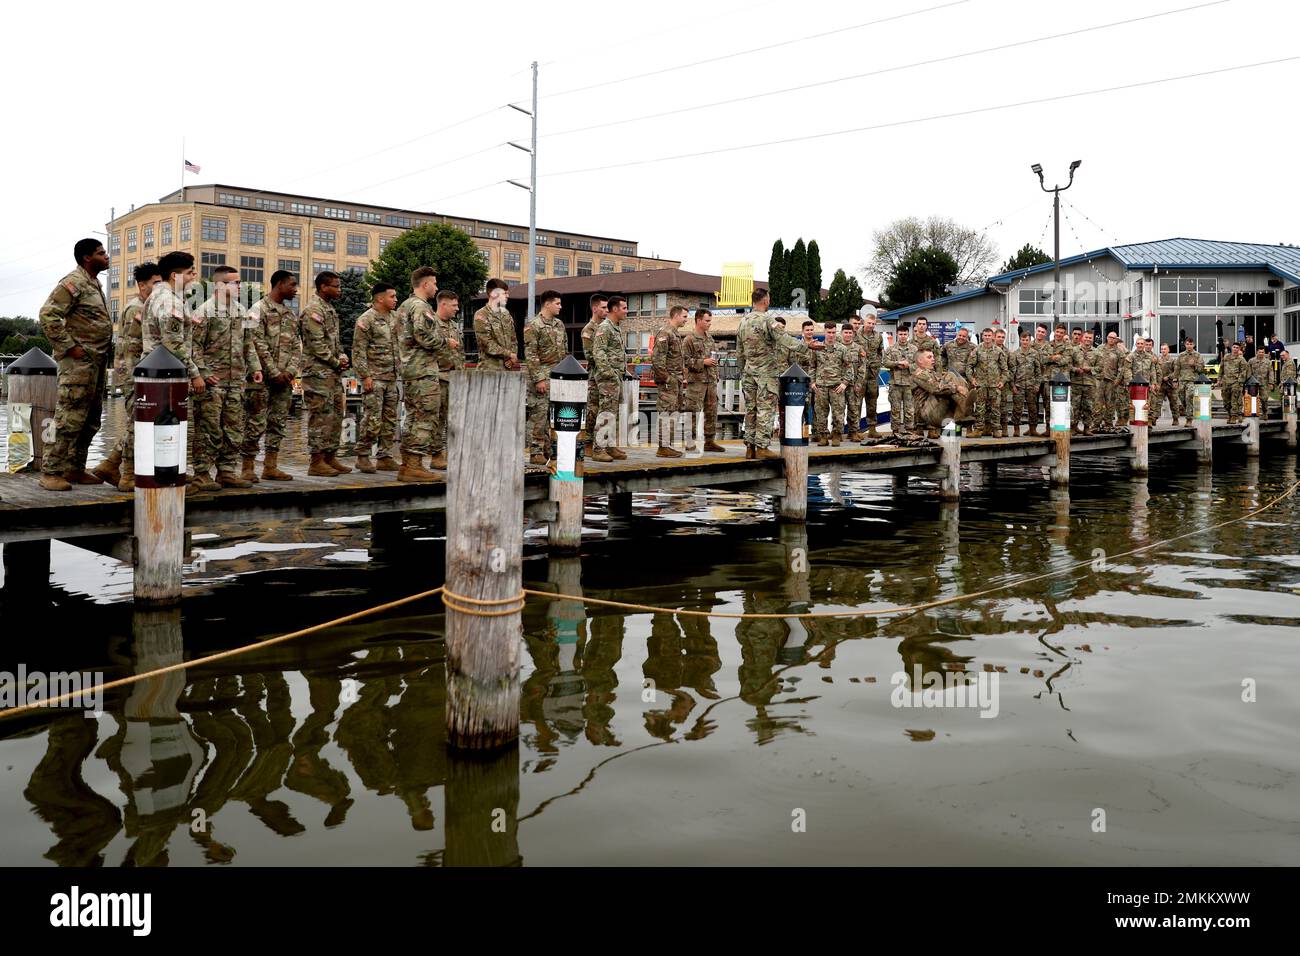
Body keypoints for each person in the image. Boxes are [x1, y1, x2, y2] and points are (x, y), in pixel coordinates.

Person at [37, 238, 115, 491]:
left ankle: (75, 468)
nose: (107, 256)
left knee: (91, 419)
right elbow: (48, 314)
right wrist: (68, 346)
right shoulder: (74, 282)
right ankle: (50, 472)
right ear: (86, 258)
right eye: (101, 253)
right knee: (68, 418)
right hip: (77, 364)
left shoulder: (94, 283)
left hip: (96, 361)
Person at [143, 251, 208, 489]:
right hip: (164, 374)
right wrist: (195, 373)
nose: (194, 276)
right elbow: (173, 343)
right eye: (190, 272)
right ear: (174, 275)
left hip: (162, 371)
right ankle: (148, 472)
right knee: (161, 424)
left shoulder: (165, 296)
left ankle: (164, 469)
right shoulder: (169, 300)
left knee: (158, 425)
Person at [193, 265, 261, 487]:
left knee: (234, 429)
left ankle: (226, 471)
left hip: (236, 381)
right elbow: (194, 346)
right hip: (214, 383)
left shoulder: (241, 310)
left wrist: (256, 368)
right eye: (235, 282)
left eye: (240, 282)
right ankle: (202, 473)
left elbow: (248, 343)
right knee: (208, 429)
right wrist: (203, 373)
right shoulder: (204, 311)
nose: (240, 286)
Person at [95, 261, 161, 492]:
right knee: (137, 425)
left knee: (137, 424)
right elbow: (139, 347)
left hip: (138, 372)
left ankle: (111, 464)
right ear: (142, 285)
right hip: (136, 374)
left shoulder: (148, 305)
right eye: (156, 283)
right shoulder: (138, 309)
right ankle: (127, 475)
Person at [243, 270, 301, 481]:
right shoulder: (257, 310)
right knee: (255, 422)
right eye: (292, 285)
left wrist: (290, 371)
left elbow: (296, 345)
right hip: (260, 379)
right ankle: (247, 467)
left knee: (278, 422)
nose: (295, 289)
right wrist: (273, 372)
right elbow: (255, 343)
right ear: (279, 284)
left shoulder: (290, 314)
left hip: (284, 379)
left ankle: (270, 466)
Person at [395, 266, 446, 481]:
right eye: (434, 283)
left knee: (413, 418)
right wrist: (445, 341)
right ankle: (414, 465)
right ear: (425, 284)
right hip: (423, 371)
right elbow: (423, 336)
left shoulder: (405, 305)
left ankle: (408, 463)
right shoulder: (420, 307)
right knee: (426, 416)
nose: (436, 288)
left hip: (411, 371)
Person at [300, 271, 350, 476]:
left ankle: (330, 457)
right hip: (318, 372)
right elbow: (317, 345)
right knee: (320, 415)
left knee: (336, 414)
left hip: (332, 373)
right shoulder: (313, 309)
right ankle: (316, 461)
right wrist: (336, 361)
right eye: (335, 286)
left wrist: (342, 356)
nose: (339, 290)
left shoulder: (329, 309)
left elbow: (333, 341)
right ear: (323, 287)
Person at [350, 282, 402, 473]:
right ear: (380, 298)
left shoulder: (395, 318)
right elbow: (358, 350)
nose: (396, 300)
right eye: (392, 296)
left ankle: (385, 456)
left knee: (390, 419)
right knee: (372, 419)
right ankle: (362, 456)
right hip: (375, 377)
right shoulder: (366, 320)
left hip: (392, 377)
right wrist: (365, 376)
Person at [734, 288, 783, 459]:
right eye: (768, 299)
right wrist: (806, 346)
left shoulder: (743, 321)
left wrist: (743, 372)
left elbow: (739, 351)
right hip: (765, 374)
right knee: (765, 409)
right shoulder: (768, 320)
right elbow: (783, 339)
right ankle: (762, 447)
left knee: (751, 409)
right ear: (765, 300)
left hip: (748, 373)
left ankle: (750, 447)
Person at [524, 289, 567, 464]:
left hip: (557, 376)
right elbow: (531, 354)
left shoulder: (559, 325)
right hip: (541, 376)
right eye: (557, 303)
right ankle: (535, 451)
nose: (560, 307)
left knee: (553, 415)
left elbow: (564, 351)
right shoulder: (533, 325)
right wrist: (539, 379)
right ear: (547, 304)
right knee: (539, 415)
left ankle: (550, 450)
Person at [589, 294, 630, 462]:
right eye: (624, 308)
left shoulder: (616, 327)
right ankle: (598, 449)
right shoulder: (605, 327)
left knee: (614, 414)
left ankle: (610, 446)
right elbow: (598, 354)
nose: (627, 311)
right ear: (615, 309)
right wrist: (610, 375)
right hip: (608, 379)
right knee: (606, 413)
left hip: (616, 377)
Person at [430, 289, 465, 460]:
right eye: (454, 305)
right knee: (438, 418)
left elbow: (460, 352)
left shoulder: (453, 325)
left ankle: (452, 453)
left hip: (455, 378)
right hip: (438, 377)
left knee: (455, 419)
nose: (456, 309)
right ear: (443, 304)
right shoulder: (431, 324)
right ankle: (437, 454)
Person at [683, 308, 723, 453]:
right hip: (697, 382)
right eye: (707, 321)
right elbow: (685, 361)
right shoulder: (689, 339)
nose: (709, 324)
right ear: (698, 320)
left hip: (710, 381)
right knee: (693, 411)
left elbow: (712, 359)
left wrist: (715, 371)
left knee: (712, 411)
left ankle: (710, 441)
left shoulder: (710, 338)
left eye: (710, 321)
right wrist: (702, 362)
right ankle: (689, 441)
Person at [651, 305, 689, 457]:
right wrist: (667, 378)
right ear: (676, 316)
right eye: (685, 316)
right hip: (669, 381)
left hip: (676, 381)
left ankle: (667, 446)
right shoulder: (666, 333)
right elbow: (656, 359)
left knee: (674, 411)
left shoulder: (675, 334)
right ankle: (663, 446)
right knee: (666, 411)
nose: (687, 320)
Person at [912, 347, 973, 430]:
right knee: (950, 377)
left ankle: (961, 412)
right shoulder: (918, 374)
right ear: (920, 360)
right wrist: (957, 388)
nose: (933, 359)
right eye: (929, 357)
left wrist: (960, 385)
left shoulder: (933, 373)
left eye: (933, 357)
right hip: (926, 415)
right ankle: (964, 409)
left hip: (938, 412)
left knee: (957, 379)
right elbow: (936, 389)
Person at [580, 293, 608, 450]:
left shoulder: (608, 327)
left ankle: (603, 442)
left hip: (606, 376)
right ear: (595, 308)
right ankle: (588, 442)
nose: (606, 310)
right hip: (595, 376)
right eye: (603, 307)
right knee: (593, 409)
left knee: (605, 410)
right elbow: (589, 355)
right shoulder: (588, 330)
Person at [968, 328, 1009, 437]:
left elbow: (1005, 369)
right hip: (981, 384)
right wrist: (972, 379)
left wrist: (1002, 381)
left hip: (994, 385)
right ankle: (978, 430)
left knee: (995, 408)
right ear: (982, 336)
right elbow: (969, 366)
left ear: (993, 337)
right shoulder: (977, 350)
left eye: (989, 335)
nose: (987, 338)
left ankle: (996, 429)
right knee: (980, 408)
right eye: (985, 335)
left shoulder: (998, 351)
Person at [812, 323, 848, 446]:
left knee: (838, 413)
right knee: (821, 412)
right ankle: (823, 436)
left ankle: (837, 435)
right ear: (824, 332)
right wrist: (812, 382)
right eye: (829, 332)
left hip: (836, 386)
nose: (831, 335)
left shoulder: (842, 349)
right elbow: (812, 366)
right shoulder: (817, 348)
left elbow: (849, 367)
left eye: (833, 332)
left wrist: (845, 383)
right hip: (821, 386)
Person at [474, 278, 519, 372]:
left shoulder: (506, 314)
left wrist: (513, 357)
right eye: (504, 293)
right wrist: (509, 354)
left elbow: (513, 339)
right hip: (489, 371)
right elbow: (487, 344)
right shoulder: (481, 315)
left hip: (507, 369)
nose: (508, 296)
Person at [883, 325, 915, 437]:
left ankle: (909, 430)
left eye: (905, 334)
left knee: (909, 409)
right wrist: (897, 364)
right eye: (900, 334)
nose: (903, 336)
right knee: (895, 409)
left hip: (909, 384)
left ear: (908, 335)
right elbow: (885, 362)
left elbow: (919, 364)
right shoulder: (891, 349)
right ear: (897, 335)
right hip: (895, 383)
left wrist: (908, 365)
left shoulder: (914, 349)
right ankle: (895, 430)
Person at [1011, 329, 1042, 436]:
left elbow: (1038, 371)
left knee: (1033, 409)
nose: (1025, 342)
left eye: (1027, 340)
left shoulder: (1034, 354)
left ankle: (1032, 429)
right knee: (1017, 408)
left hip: (1031, 386)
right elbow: (1012, 372)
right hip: (1019, 386)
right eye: (1023, 340)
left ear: (1030, 341)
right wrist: (1013, 385)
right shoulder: (1015, 354)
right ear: (1020, 340)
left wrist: (1037, 384)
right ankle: (1016, 429)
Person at [859, 311, 884, 439]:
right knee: (856, 403)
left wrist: (877, 363)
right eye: (869, 323)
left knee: (872, 403)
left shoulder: (878, 336)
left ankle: (872, 428)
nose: (871, 325)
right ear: (864, 322)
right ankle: (855, 430)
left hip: (873, 375)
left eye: (873, 323)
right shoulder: (856, 335)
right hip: (859, 376)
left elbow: (881, 352)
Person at [840, 324, 865, 440]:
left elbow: (862, 367)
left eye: (850, 333)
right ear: (841, 333)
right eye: (846, 332)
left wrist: (859, 383)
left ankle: (853, 431)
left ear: (853, 334)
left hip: (853, 384)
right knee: (838, 409)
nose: (848, 335)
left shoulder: (858, 348)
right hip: (839, 384)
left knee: (853, 408)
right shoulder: (837, 347)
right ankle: (837, 432)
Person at [1176, 337, 1206, 425]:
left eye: (1191, 344)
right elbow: (1177, 368)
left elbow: (1201, 369)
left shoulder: (1197, 355)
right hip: (1182, 380)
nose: (1189, 346)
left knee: (1189, 397)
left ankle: (1189, 419)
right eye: (1187, 344)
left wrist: (1195, 364)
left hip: (1192, 380)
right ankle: (1189, 410)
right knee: (1182, 398)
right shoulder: (1181, 355)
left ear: (1194, 345)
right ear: (1185, 345)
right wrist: (1175, 379)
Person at [1219, 342, 1248, 423]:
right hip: (1226, 382)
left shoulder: (1241, 359)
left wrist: (1239, 381)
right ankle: (1229, 414)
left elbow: (1244, 371)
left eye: (1237, 348)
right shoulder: (1226, 357)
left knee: (1234, 400)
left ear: (1239, 349)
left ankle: (1234, 416)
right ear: (1231, 348)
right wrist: (1219, 379)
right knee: (1226, 402)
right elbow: (1221, 368)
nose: (1235, 349)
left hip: (1236, 383)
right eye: (1234, 347)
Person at [1248, 345, 1273, 418]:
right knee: (1253, 398)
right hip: (1253, 383)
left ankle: (1265, 412)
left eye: (1262, 352)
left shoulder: (1268, 362)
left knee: (1264, 399)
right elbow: (1249, 372)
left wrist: (1271, 382)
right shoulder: (1251, 361)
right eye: (1260, 352)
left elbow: (1271, 372)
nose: (1261, 353)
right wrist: (1248, 382)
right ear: (1257, 352)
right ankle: (1254, 413)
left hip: (1264, 383)